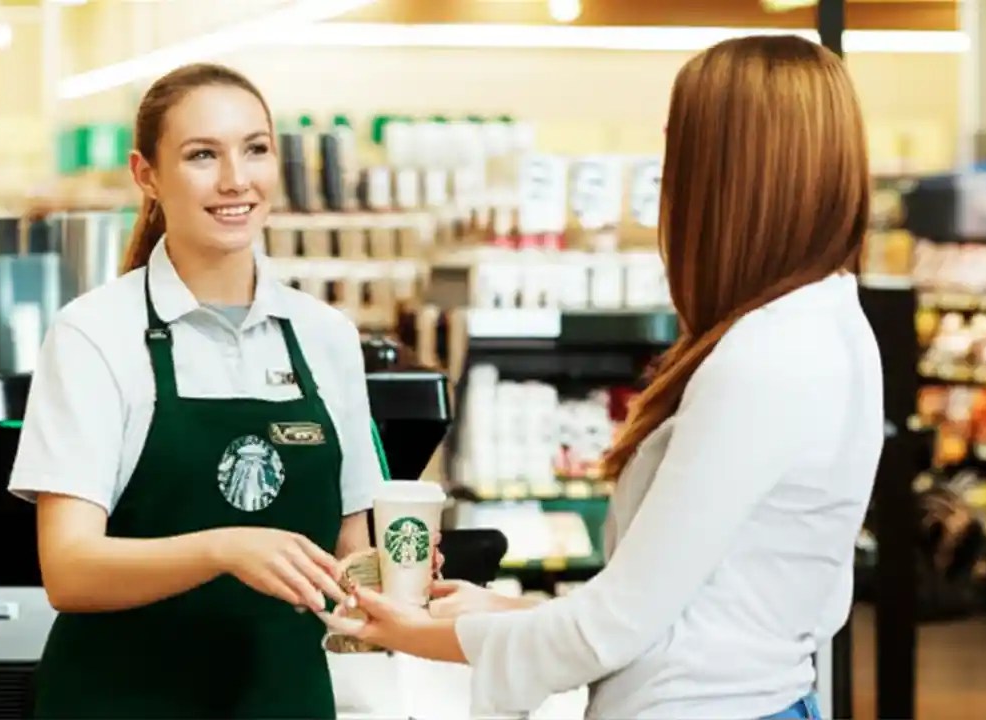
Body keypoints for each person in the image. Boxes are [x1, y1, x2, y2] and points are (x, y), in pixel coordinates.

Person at [332, 35, 882, 720]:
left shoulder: (764, 358)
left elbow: (615, 627)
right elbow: (696, 608)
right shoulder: (828, 320)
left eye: (678, 152)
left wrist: (418, 634)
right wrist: (502, 614)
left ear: (730, 173)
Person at [7, 63, 384, 719]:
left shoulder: (326, 336)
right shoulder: (95, 334)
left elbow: (350, 550)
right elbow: (68, 570)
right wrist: (224, 547)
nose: (237, 179)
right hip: (120, 704)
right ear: (146, 174)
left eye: (256, 149)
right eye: (202, 155)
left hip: (282, 702)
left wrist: (396, 573)